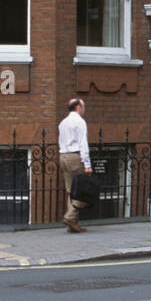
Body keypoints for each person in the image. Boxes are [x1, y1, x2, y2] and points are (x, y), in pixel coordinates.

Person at [58, 96, 92, 231]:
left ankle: (73, 224)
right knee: (81, 189)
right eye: (83, 107)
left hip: (63, 156)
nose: (83, 110)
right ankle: (70, 217)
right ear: (78, 107)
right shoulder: (80, 122)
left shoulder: (63, 122)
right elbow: (83, 143)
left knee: (70, 190)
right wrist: (87, 165)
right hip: (75, 157)